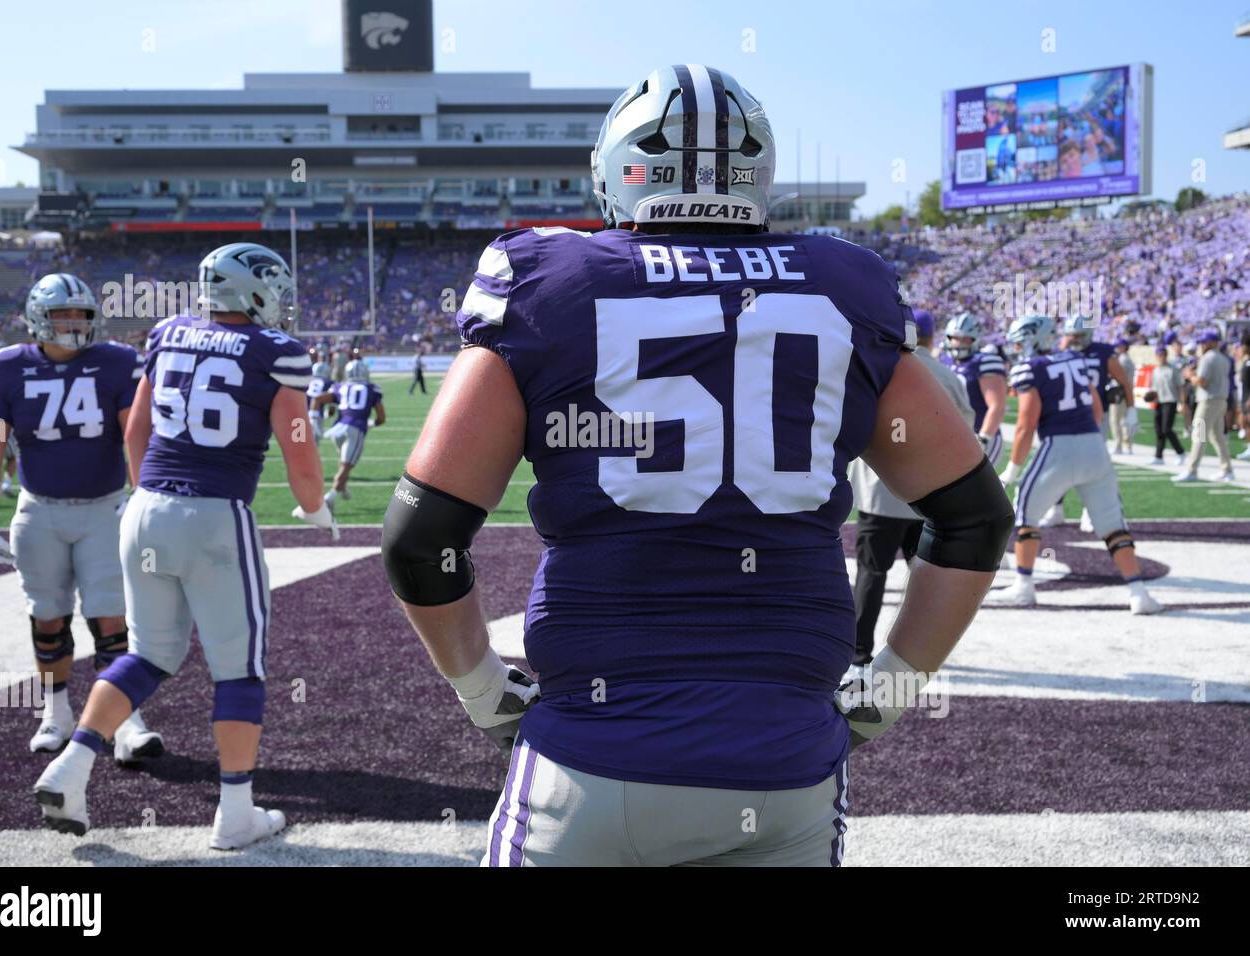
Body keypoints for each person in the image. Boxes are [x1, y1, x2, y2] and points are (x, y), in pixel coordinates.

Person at [380, 64, 1013, 867]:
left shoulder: (549, 279)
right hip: (784, 769)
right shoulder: (844, 284)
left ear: (617, 171)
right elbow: (974, 516)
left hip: (589, 763)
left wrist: (481, 689)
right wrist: (889, 689)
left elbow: (419, 537)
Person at [32, 243, 338, 849]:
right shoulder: (277, 352)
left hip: (143, 511)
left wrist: (153, 495)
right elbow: (298, 443)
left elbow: (138, 428)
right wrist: (312, 505)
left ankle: (70, 767)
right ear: (250, 290)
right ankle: (234, 812)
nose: (281, 298)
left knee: (147, 655)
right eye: (273, 286)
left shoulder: (170, 333)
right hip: (215, 515)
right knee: (238, 668)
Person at [0, 274, 164, 758]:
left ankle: (126, 723)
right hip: (39, 512)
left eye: (81, 314)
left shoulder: (116, 362)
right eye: (63, 315)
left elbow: (133, 435)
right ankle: (55, 714)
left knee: (112, 620)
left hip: (104, 509)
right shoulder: (9, 367)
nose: (74, 323)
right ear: (39, 318)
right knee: (48, 619)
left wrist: (145, 497)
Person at [988, 315, 1161, 615]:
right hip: (1094, 446)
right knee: (1112, 524)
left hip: (1059, 445)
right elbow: (1096, 409)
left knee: (1026, 514)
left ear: (1035, 339)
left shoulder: (1029, 368)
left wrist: (1013, 469)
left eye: (1020, 342)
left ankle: (1024, 586)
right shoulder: (1075, 359)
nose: (1016, 349)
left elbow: (1026, 425)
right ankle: (1139, 593)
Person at [848, 309, 972, 670]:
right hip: (930, 495)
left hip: (879, 492)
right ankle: (923, 654)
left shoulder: (873, 368)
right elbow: (965, 434)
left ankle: (859, 653)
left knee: (872, 573)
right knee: (929, 579)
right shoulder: (947, 377)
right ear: (933, 337)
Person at [1041, 313, 1134, 531]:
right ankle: (1056, 509)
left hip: (1094, 416)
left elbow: (1124, 381)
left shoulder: (1103, 352)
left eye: (1078, 335)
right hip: (1064, 416)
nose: (1074, 339)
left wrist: (1131, 410)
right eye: (1070, 335)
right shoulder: (1061, 353)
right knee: (1059, 463)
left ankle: (1090, 512)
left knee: (1093, 465)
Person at [315, 357, 384, 509]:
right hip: (355, 428)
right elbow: (381, 417)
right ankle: (330, 497)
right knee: (345, 467)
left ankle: (342, 486)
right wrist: (371, 423)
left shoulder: (339, 386)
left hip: (337, 429)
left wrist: (314, 417)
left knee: (344, 463)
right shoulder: (372, 388)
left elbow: (318, 399)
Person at [939, 311, 1006, 465]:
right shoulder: (946, 361)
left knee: (978, 488)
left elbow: (997, 406)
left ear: (975, 339)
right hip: (954, 436)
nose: (959, 343)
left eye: (965, 339)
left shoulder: (984, 362)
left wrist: (983, 438)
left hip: (980, 434)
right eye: (955, 338)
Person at [1174, 329, 1234, 482]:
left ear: (1212, 343)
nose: (1202, 345)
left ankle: (1192, 470)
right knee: (1218, 437)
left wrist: (1190, 375)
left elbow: (1202, 381)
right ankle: (1226, 469)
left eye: (1204, 342)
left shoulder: (1208, 358)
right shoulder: (1224, 358)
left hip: (1208, 401)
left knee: (1199, 435)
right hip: (1220, 400)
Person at [1148, 345, 1183, 465]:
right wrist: (1151, 396)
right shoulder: (1156, 370)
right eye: (1159, 355)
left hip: (1171, 401)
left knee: (1167, 429)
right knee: (1159, 430)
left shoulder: (1173, 369)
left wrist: (1181, 403)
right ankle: (1159, 456)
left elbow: (1180, 386)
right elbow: (1153, 388)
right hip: (1159, 402)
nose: (1161, 357)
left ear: (1166, 355)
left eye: (1163, 355)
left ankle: (1180, 452)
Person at [1109, 338, 1136, 454]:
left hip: (1119, 392)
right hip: (1125, 391)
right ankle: (1127, 445)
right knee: (1124, 420)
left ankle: (1118, 444)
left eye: (1119, 346)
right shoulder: (1126, 360)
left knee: (1115, 419)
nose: (1117, 348)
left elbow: (1117, 376)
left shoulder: (1123, 360)